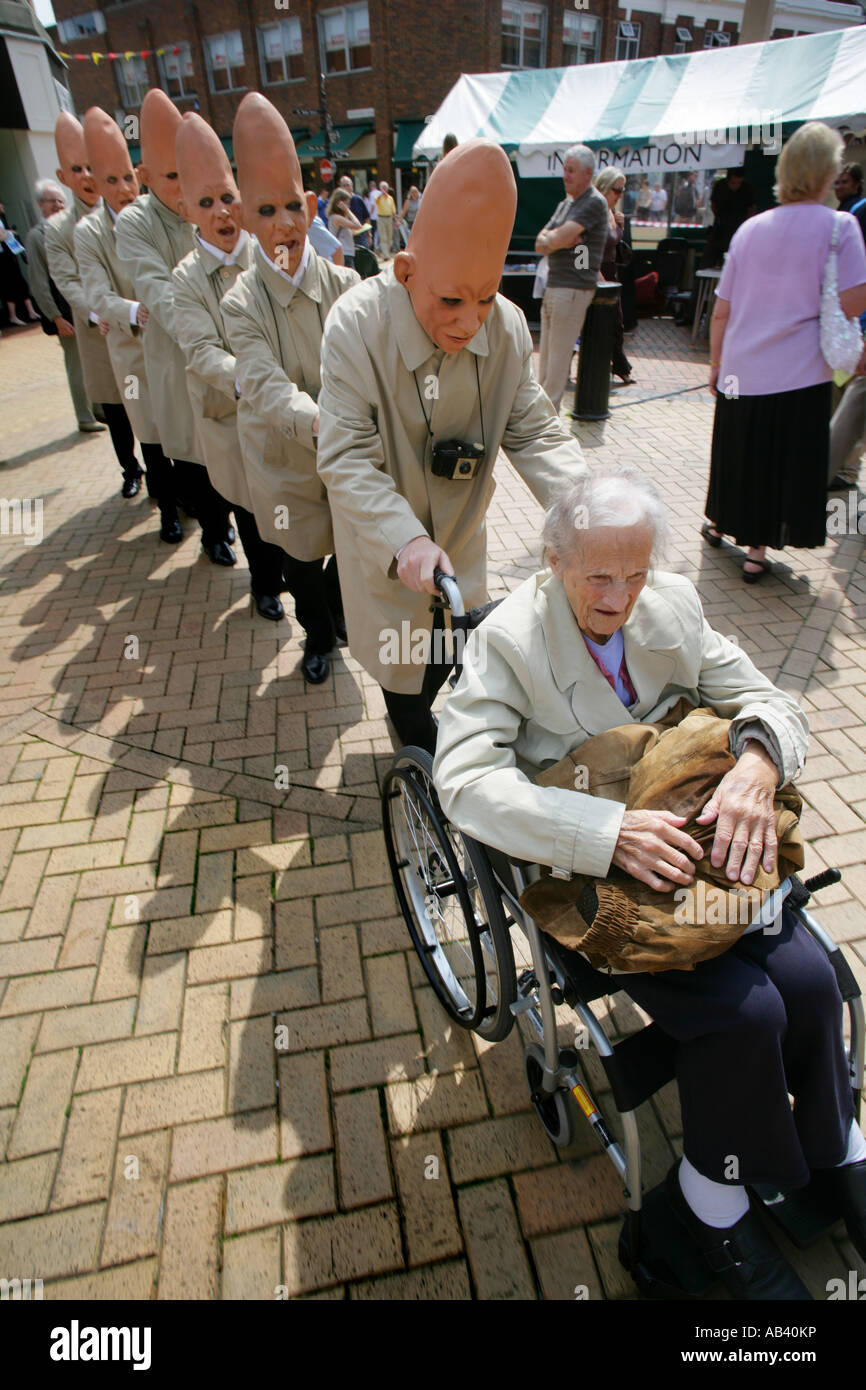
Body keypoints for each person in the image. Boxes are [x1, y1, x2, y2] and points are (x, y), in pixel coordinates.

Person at [433, 466, 866, 1299]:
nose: (621, 595)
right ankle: (703, 1215)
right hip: (597, 874)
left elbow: (764, 697)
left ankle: (833, 1154)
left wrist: (756, 762)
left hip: (699, 849)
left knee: (812, 983)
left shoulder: (670, 604)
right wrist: (603, 833)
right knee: (750, 1015)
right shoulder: (508, 643)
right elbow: (464, 783)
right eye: (599, 574)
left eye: (635, 572)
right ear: (555, 559)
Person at [316, 138, 587, 755]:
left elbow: (536, 428)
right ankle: (417, 769)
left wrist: (590, 508)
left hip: (460, 551)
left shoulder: (509, 329)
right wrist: (403, 537)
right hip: (390, 555)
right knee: (407, 690)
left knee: (456, 661)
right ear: (406, 271)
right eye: (451, 300)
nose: (470, 320)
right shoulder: (356, 326)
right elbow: (346, 455)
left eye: (487, 296)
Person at [220, 93, 357, 683]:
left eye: (291, 208)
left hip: (348, 453)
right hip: (284, 460)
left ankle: (338, 613)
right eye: (266, 210)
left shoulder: (348, 283)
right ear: (249, 218)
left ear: (309, 206)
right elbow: (267, 386)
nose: (283, 225)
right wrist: (321, 419)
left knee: (352, 554)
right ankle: (319, 638)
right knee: (301, 563)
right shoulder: (240, 303)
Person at [702, 122, 866, 581]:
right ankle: (756, 551)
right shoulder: (841, 227)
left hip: (738, 366)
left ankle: (718, 521)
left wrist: (716, 364)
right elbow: (854, 300)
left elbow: (722, 310)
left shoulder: (750, 229)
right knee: (780, 459)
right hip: (798, 372)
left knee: (735, 452)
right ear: (827, 173)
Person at [172, 113, 289, 619]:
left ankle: (297, 581)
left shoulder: (267, 254)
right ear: (186, 211)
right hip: (230, 410)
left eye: (226, 198)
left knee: (288, 500)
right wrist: (248, 379)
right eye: (206, 203)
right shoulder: (186, 279)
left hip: (283, 407)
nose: (221, 213)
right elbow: (199, 350)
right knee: (250, 505)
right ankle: (265, 586)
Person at [115, 89, 235, 565]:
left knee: (230, 449)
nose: (184, 188)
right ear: (145, 176)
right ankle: (213, 534)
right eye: (171, 177)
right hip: (177, 356)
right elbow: (157, 289)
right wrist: (209, 337)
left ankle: (235, 534)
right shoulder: (135, 223)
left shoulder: (208, 203)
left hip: (225, 353)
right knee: (193, 456)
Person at [75, 106, 178, 533]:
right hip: (131, 353)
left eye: (128, 178)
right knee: (149, 430)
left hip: (171, 346)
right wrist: (133, 312)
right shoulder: (89, 234)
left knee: (181, 428)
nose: (123, 188)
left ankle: (195, 505)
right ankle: (168, 512)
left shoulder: (160, 219)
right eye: (111, 181)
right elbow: (96, 293)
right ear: (96, 185)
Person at [45, 113, 143, 492]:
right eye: (77, 169)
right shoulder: (59, 229)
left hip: (132, 329)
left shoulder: (130, 213)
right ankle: (129, 470)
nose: (86, 176)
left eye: (91, 167)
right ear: (63, 177)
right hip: (97, 333)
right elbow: (65, 279)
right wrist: (99, 310)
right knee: (117, 408)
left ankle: (163, 482)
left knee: (141, 402)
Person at [25, 179, 104, 433]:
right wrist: (55, 316)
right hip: (66, 311)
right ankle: (85, 415)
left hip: (89, 307)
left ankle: (101, 407)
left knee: (95, 360)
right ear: (40, 205)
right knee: (76, 364)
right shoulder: (37, 237)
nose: (57, 205)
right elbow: (38, 282)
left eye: (60, 200)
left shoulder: (76, 226)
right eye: (51, 201)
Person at [534, 143, 608, 412]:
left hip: (573, 289)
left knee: (555, 370)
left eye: (571, 171)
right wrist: (557, 241)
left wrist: (556, 240)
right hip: (555, 287)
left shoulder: (593, 203)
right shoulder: (567, 203)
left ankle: (546, 430)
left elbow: (557, 238)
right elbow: (540, 242)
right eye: (565, 169)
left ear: (588, 173)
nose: (565, 175)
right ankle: (540, 425)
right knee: (545, 368)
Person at [594, 167, 633, 384]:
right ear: (603, 187)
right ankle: (619, 367)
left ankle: (619, 366)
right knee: (605, 322)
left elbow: (613, 241)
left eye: (622, 190)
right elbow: (581, 246)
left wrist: (620, 227)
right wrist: (591, 272)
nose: (619, 194)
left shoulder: (610, 211)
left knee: (614, 321)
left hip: (609, 272)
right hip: (597, 272)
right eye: (616, 190)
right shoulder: (594, 211)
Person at [828, 341, 866, 491]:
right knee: (837, 418)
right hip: (842, 347)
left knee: (853, 419)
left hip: (856, 347)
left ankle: (847, 471)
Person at [701, 169, 757, 268]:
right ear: (728, 180)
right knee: (709, 258)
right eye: (733, 183)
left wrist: (746, 225)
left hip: (739, 228)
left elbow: (752, 208)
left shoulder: (747, 188)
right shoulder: (720, 186)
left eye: (739, 182)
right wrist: (719, 217)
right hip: (720, 229)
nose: (736, 186)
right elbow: (713, 205)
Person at [0, 203, 39, 325]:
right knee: (11, 284)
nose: (2, 206)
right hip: (2, 257)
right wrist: (11, 233)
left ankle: (30, 311)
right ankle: (14, 316)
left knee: (19, 281)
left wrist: (8, 232)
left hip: (6, 255)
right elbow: (1, 237)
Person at [325, 187, 363, 269]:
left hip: (348, 253)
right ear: (339, 203)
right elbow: (358, 225)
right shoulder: (336, 218)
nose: (349, 206)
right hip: (344, 254)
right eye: (347, 204)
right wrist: (347, 211)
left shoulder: (339, 218)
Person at [340, 175, 370, 249]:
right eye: (343, 185)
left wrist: (369, 235)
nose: (346, 187)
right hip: (346, 237)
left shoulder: (358, 199)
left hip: (360, 236)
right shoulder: (338, 203)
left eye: (347, 185)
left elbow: (366, 218)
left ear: (352, 186)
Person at [376, 181, 397, 260]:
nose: (384, 189)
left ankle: (386, 252)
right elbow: (376, 201)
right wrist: (381, 194)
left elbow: (393, 210)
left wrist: (396, 220)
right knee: (383, 237)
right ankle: (385, 255)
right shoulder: (378, 197)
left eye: (386, 188)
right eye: (383, 187)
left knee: (389, 237)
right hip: (381, 218)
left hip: (389, 218)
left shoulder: (390, 198)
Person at [365, 181, 380, 250]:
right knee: (379, 233)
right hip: (380, 215)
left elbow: (372, 205)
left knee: (373, 232)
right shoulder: (380, 193)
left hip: (373, 216)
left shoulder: (371, 194)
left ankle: (373, 247)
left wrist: (369, 215)